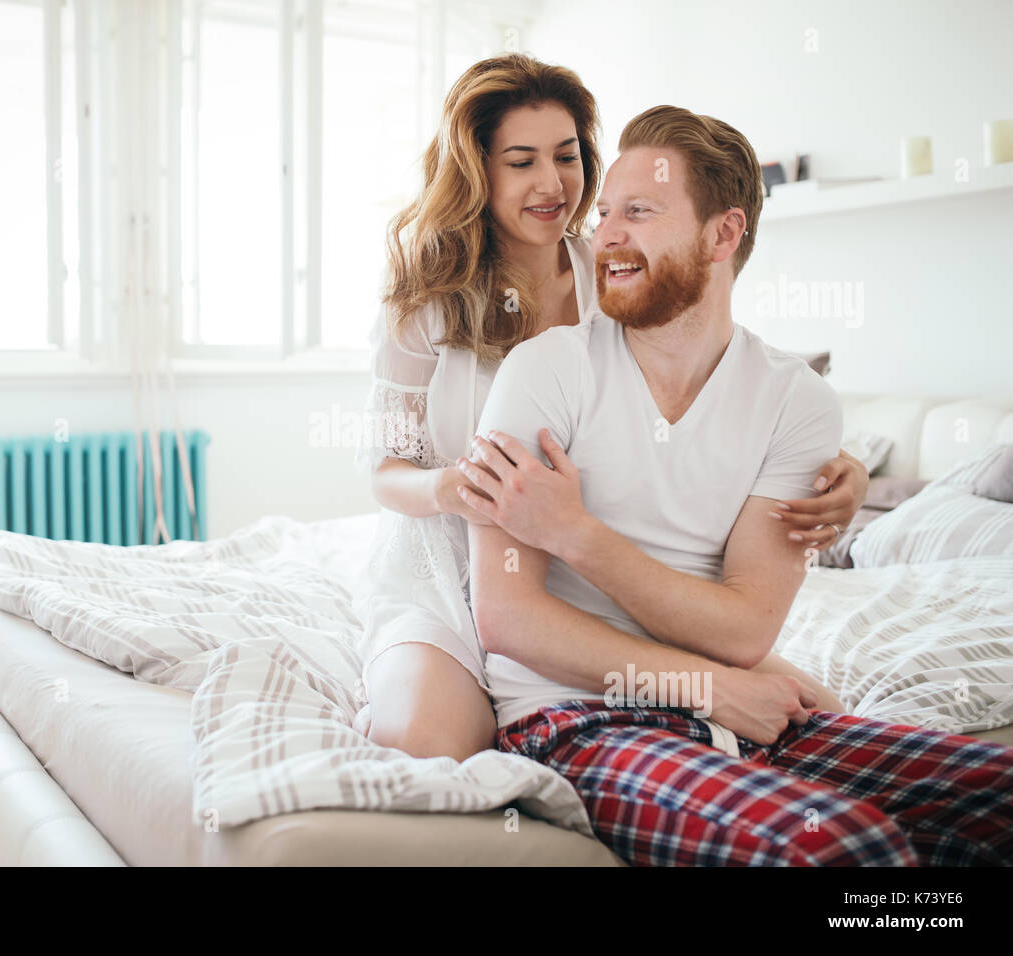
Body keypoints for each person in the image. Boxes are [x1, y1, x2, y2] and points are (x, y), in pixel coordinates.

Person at [460, 103, 1013, 866]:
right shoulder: (546, 372)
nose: (606, 236)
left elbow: (743, 631)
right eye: (607, 213)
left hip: (737, 699)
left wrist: (577, 534)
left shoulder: (796, 402)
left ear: (723, 234)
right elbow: (509, 618)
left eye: (641, 213)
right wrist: (706, 687)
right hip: (579, 716)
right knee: (845, 849)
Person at [353, 53, 868, 763]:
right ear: (478, 172)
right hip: (452, 570)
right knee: (430, 745)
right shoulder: (425, 299)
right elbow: (385, 469)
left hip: (579, 581)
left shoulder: (615, 269)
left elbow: (707, 385)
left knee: (833, 725)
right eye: (521, 161)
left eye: (566, 157)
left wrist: (843, 471)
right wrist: (453, 488)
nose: (551, 183)